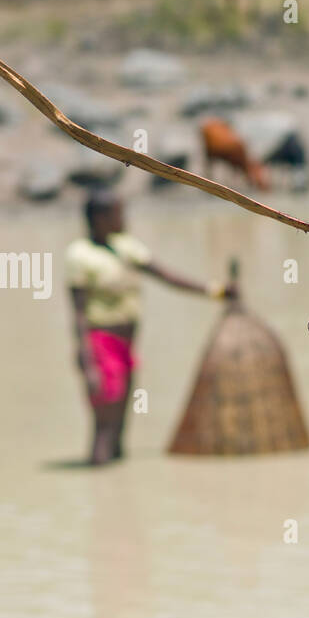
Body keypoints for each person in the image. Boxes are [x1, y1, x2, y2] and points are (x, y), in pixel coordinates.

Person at [66, 189, 223, 465]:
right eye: (117, 213)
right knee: (104, 426)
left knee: (120, 428)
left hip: (127, 345)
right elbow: (78, 312)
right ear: (100, 218)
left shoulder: (126, 247)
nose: (123, 218)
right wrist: (86, 360)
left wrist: (215, 291)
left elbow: (166, 276)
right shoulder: (80, 255)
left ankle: (114, 494)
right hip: (101, 344)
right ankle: (98, 478)